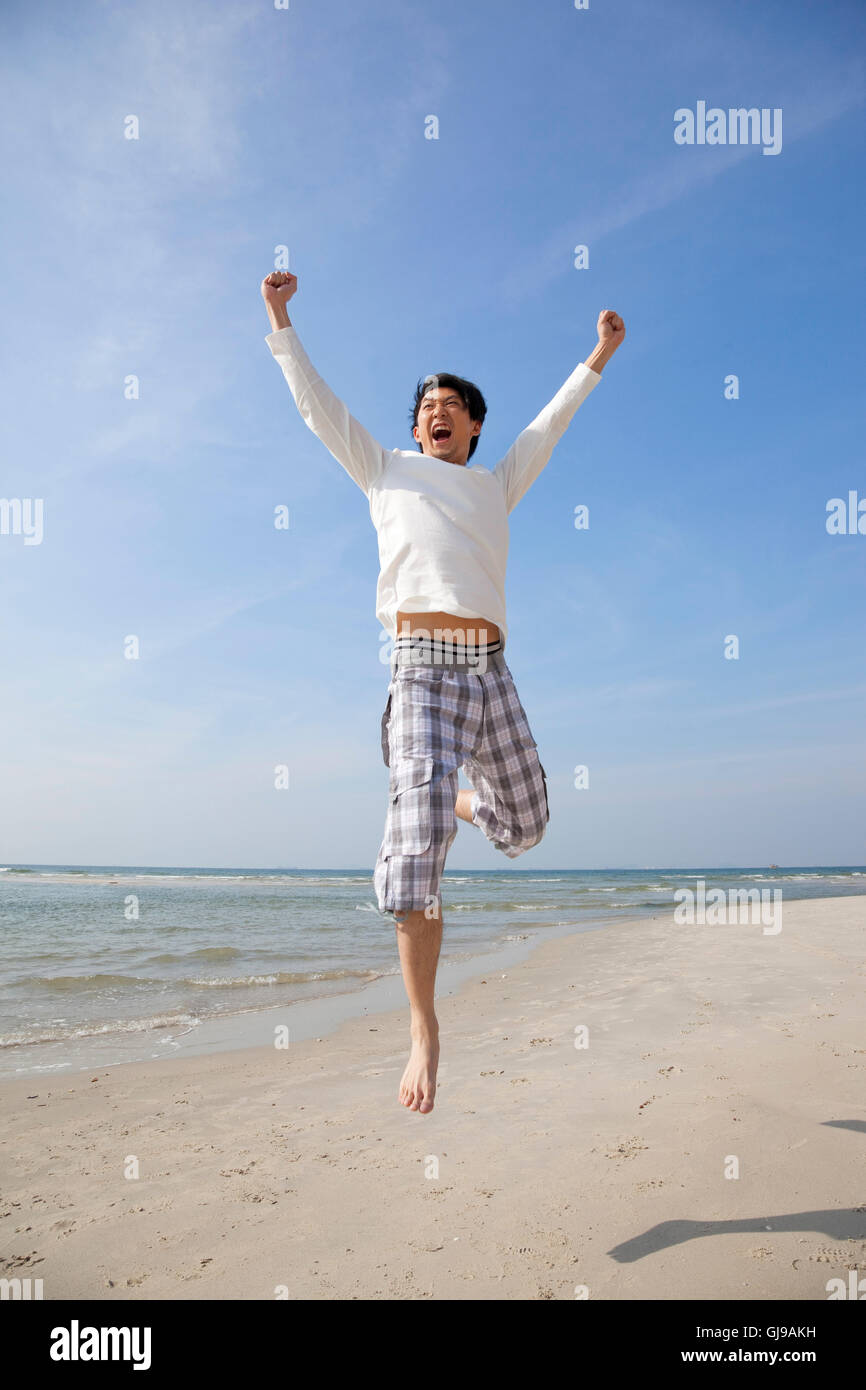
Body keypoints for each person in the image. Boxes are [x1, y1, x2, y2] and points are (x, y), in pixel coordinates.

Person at [261, 270, 625, 1115]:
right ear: (416, 424)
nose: (438, 409)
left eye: (452, 402)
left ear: (473, 423)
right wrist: (280, 320)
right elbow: (318, 406)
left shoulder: (497, 483)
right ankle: (424, 1027)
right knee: (416, 859)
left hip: (491, 669)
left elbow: (552, 423)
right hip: (421, 665)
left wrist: (599, 353)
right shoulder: (385, 470)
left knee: (528, 824)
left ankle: (457, 799)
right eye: (427, 401)